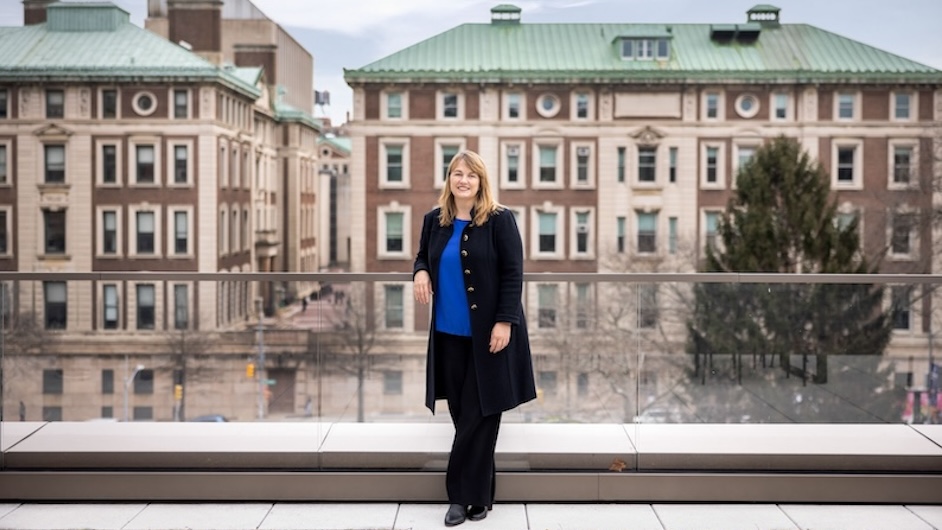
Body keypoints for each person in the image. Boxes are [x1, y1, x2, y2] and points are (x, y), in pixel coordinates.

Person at [413, 150, 537, 526]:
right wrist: (420, 272)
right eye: (456, 174)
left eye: (471, 175)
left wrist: (504, 322)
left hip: (491, 338)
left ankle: (459, 499)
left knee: (479, 416)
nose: (463, 180)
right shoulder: (434, 220)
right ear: (448, 180)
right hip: (448, 335)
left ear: (481, 182)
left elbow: (514, 274)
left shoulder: (500, 220)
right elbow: (422, 256)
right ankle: (481, 496)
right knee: (463, 415)